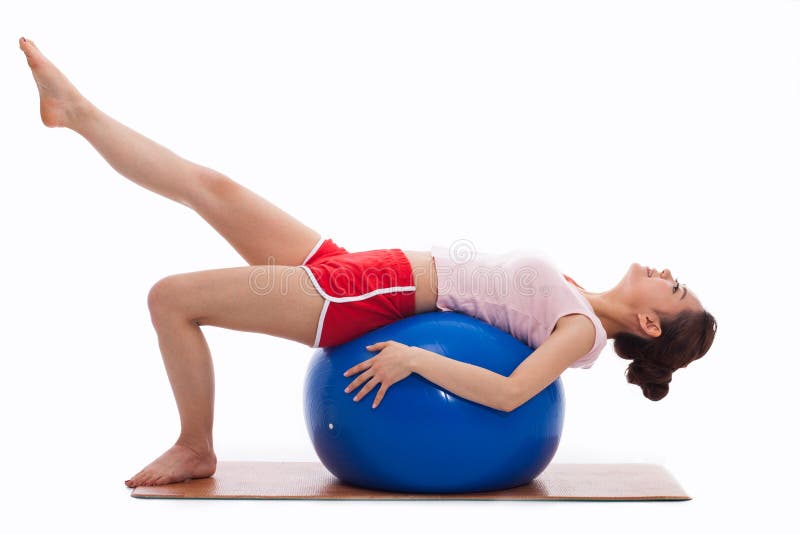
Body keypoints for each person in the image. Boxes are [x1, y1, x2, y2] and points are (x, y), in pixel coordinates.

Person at [18, 37, 717, 489]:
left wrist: (417, 362)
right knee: (214, 188)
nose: (662, 269)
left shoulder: (579, 333)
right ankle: (77, 113)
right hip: (368, 271)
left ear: (651, 324)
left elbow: (509, 394)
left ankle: (194, 445)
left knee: (172, 297)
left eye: (672, 285)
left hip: (367, 296)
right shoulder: (576, 300)